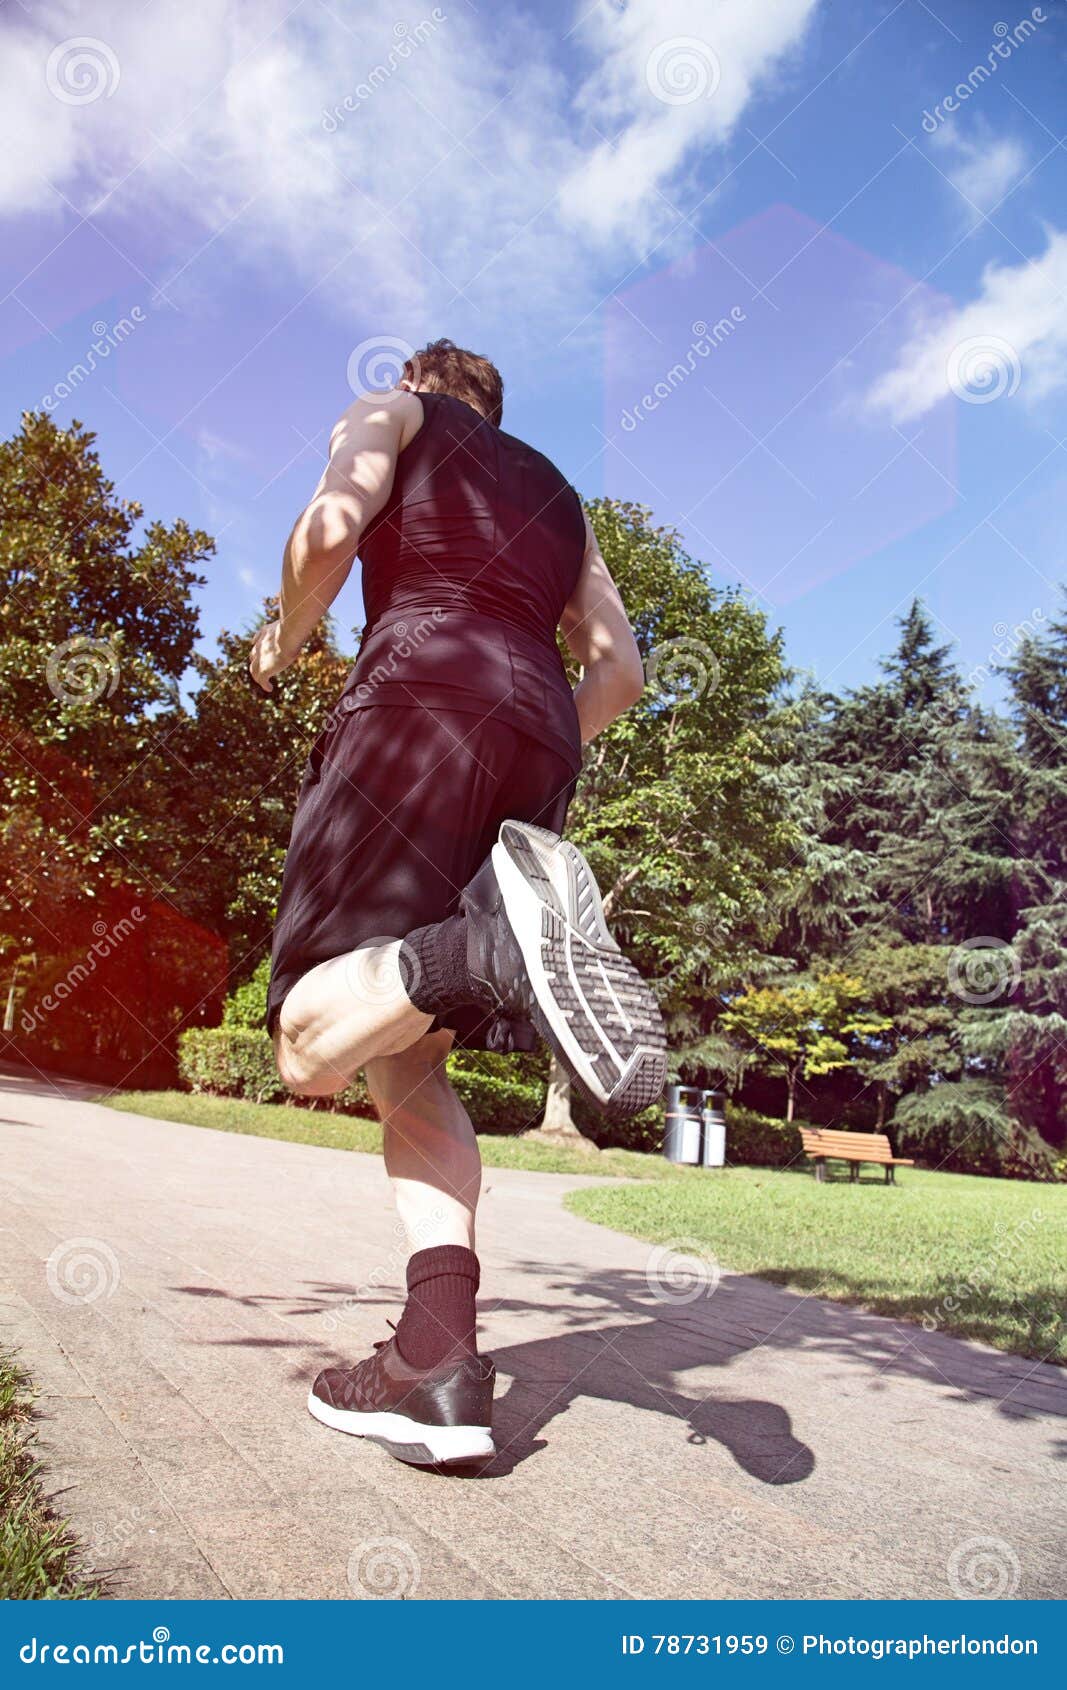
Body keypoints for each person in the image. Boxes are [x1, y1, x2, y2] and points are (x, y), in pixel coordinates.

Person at [249, 339, 665, 1467]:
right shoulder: (560, 495)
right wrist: (525, 735)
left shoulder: (391, 408)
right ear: (498, 405)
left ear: (429, 387)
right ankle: (435, 1363)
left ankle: (490, 953)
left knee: (303, 1045)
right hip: (538, 735)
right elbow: (618, 669)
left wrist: (282, 639)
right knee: (405, 1060)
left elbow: (333, 528)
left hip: (414, 698)